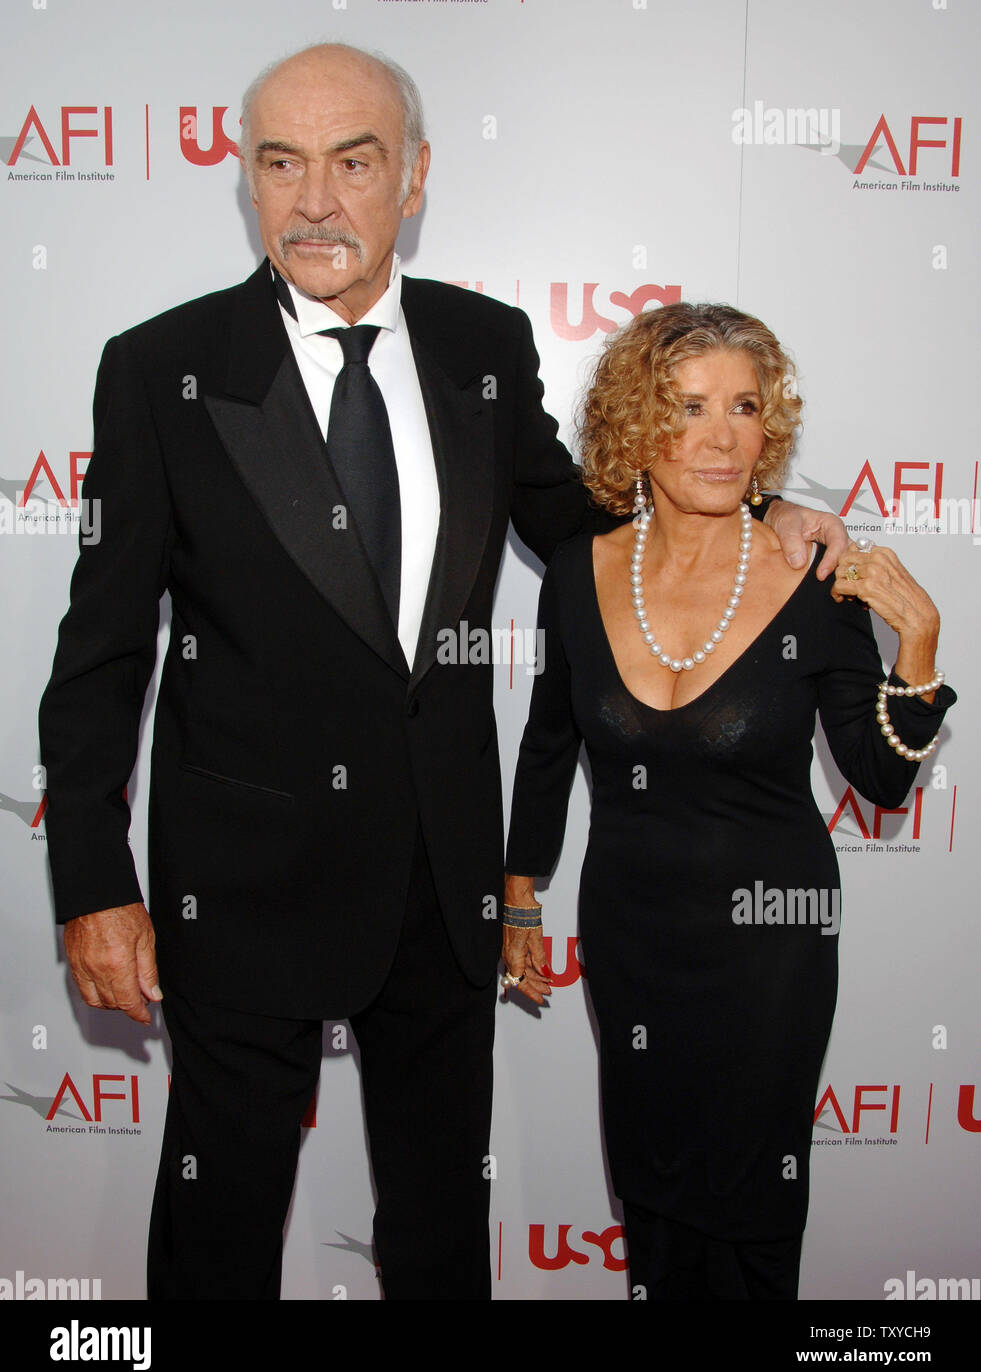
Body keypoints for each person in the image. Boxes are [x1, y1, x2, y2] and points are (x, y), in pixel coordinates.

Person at [38, 44, 848, 1302]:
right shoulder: (162, 367)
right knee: (219, 1225)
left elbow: (588, 524)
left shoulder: (483, 342)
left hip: (441, 873)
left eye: (353, 162)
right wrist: (92, 879)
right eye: (280, 162)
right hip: (239, 883)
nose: (316, 200)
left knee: (438, 1232)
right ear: (245, 182)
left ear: (412, 177)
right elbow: (98, 652)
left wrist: (766, 520)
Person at [503, 303, 954, 1300]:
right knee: (655, 1194)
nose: (722, 436)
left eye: (745, 407)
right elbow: (547, 743)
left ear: (770, 427)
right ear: (636, 426)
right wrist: (521, 892)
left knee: (750, 1205)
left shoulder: (811, 577)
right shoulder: (578, 572)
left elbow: (880, 780)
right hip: (631, 938)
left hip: (770, 948)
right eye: (689, 405)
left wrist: (915, 656)